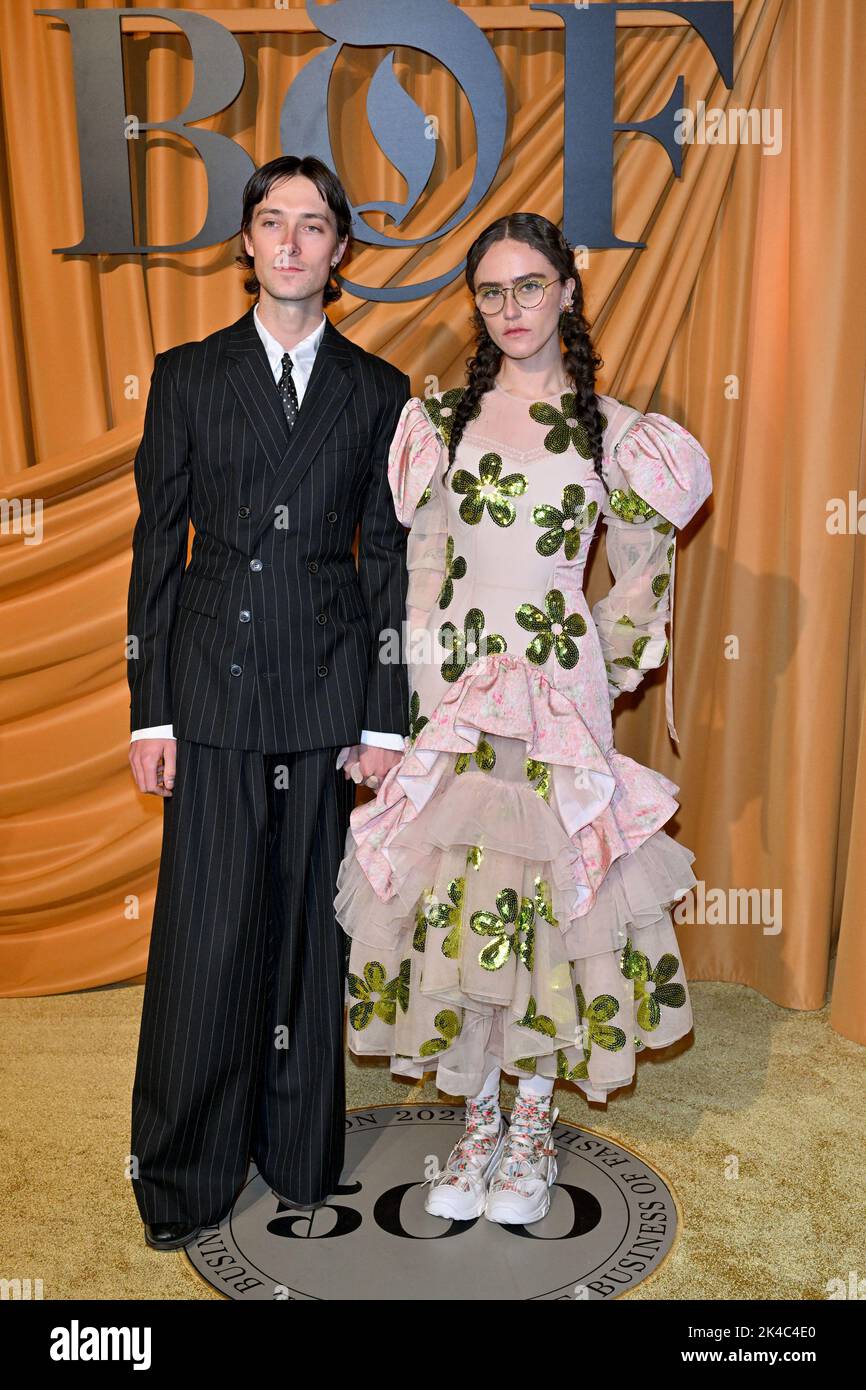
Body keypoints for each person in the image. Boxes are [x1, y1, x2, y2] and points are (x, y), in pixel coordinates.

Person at [334, 212, 712, 1226]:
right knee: (463, 905)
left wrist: (600, 660)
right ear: (476, 301)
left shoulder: (611, 432)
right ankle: (475, 1118)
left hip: (553, 700)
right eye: (491, 291)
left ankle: (533, 1122)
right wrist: (418, 694)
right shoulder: (439, 423)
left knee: (553, 904)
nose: (510, 308)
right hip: (458, 703)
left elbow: (640, 565)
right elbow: (423, 569)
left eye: (529, 285)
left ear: (566, 291)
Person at [126, 155, 408, 1250]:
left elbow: (386, 562)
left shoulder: (379, 392)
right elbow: (157, 548)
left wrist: (385, 719)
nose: (291, 243)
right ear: (244, 243)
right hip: (208, 691)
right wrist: (149, 708)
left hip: (328, 694)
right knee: (204, 940)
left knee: (304, 937)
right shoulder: (187, 374)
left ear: (341, 250)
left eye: (313, 225)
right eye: (270, 222)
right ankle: (184, 1173)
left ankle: (296, 1154)